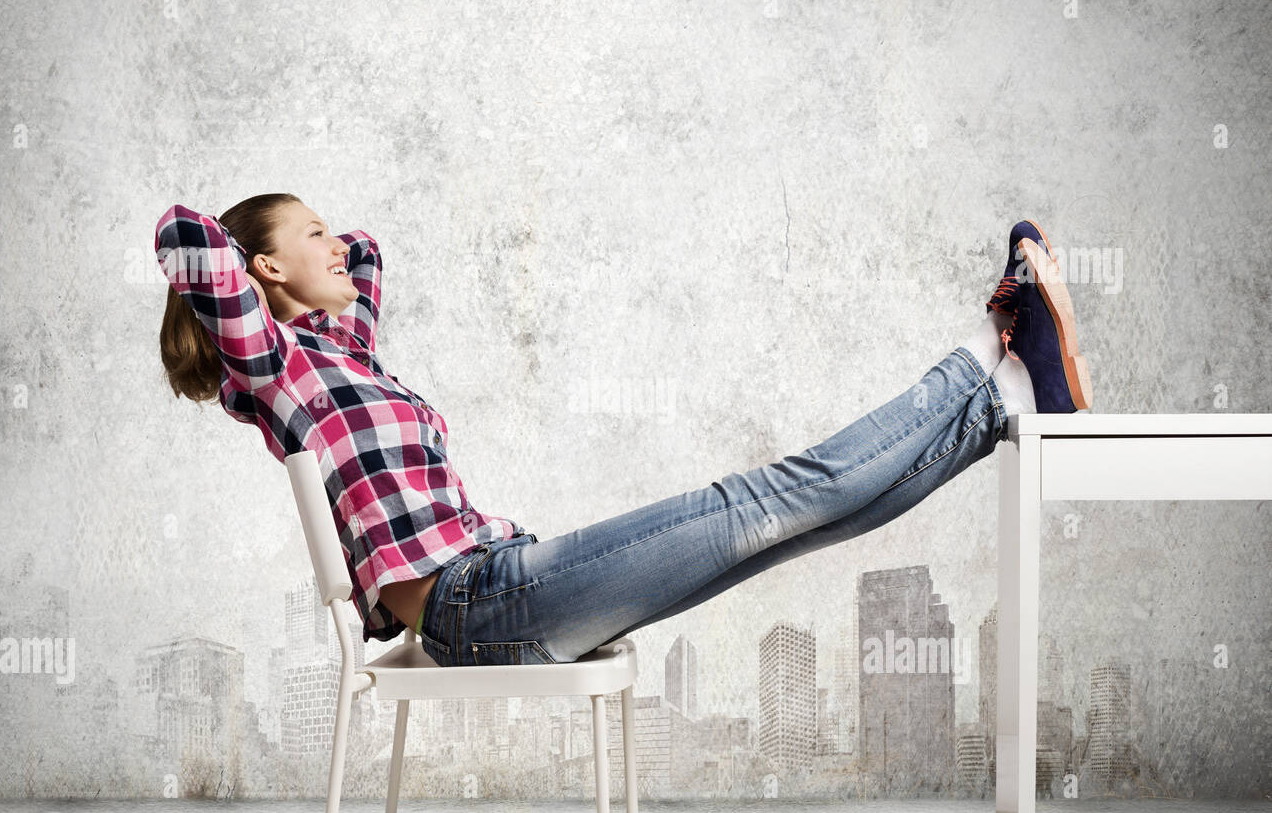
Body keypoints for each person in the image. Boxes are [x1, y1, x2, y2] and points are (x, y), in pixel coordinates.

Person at [156, 197, 1091, 668]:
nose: (335, 245)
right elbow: (184, 236)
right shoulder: (274, 367)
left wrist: (308, 251)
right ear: (263, 270)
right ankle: (989, 349)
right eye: (307, 236)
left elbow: (365, 259)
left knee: (797, 524)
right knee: (768, 497)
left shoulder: (339, 350)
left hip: (495, 589)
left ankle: (997, 406)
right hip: (479, 606)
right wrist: (252, 263)